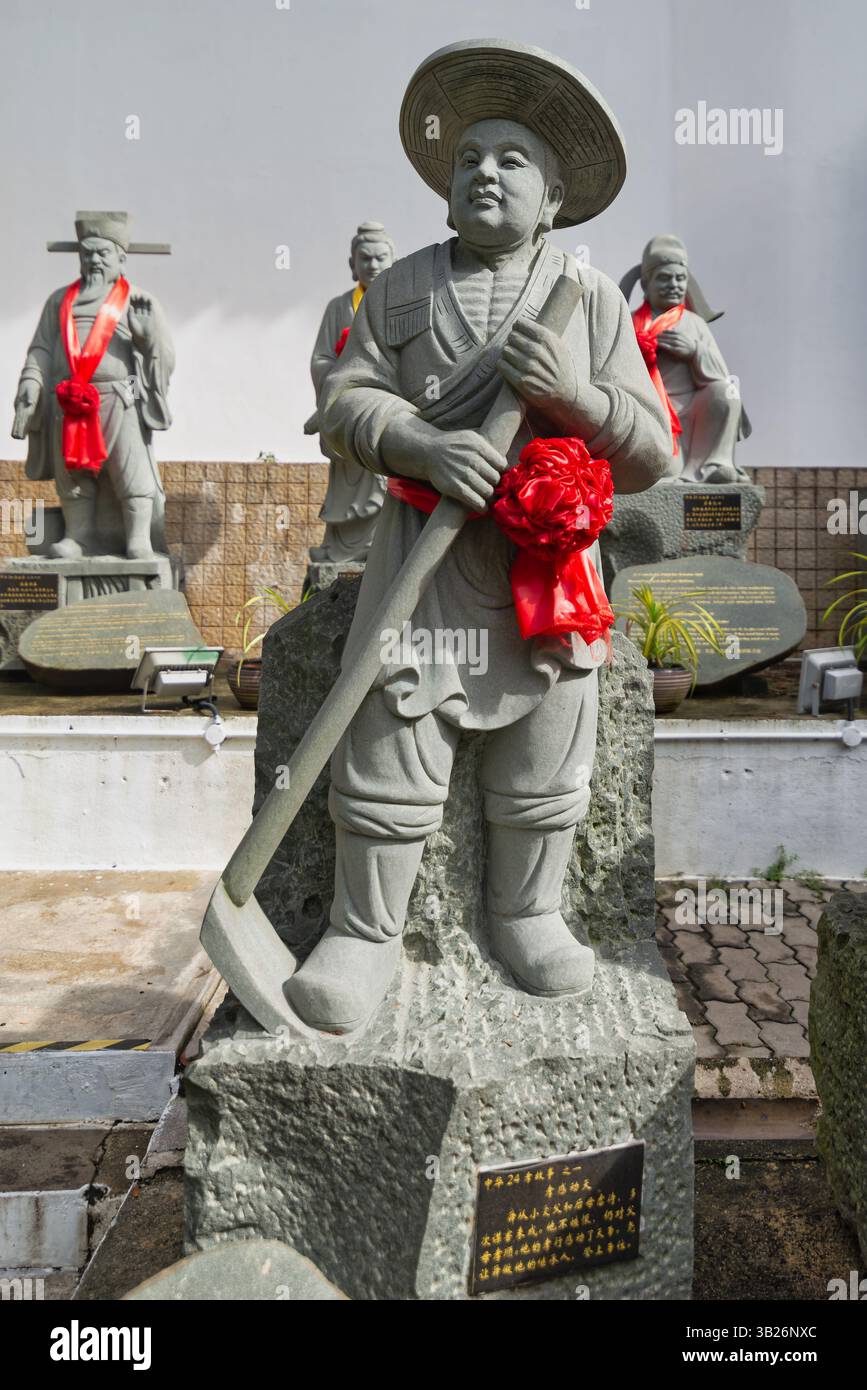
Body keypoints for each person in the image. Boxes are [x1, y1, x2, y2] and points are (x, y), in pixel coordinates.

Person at [286, 40, 671, 1034]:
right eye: (470, 158)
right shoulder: (404, 288)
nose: (485, 172)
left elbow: (653, 452)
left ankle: (530, 911)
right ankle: (365, 933)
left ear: (552, 200)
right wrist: (418, 442)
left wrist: (576, 396)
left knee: (548, 761)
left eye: (511, 160)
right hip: (426, 563)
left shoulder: (586, 299)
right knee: (386, 749)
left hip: (546, 569)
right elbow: (345, 401)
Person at [12, 211, 174, 559]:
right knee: (73, 474)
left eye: (103, 253)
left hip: (121, 394)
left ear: (122, 258)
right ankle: (78, 537)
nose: (94, 261)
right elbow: (41, 347)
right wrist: (31, 380)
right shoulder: (60, 301)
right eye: (88, 254)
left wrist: (147, 342)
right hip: (68, 401)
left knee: (131, 469)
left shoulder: (138, 301)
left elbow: (164, 355)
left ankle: (137, 539)